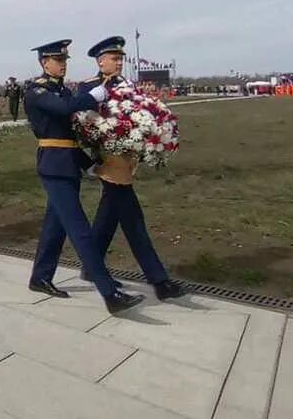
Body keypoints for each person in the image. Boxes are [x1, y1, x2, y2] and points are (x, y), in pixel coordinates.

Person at [24, 39, 143, 314]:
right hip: (53, 167)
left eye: (65, 60)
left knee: (56, 226)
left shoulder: (62, 90)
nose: (64, 64)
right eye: (58, 60)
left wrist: (88, 163)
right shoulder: (37, 91)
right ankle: (109, 293)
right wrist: (96, 95)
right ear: (45, 63)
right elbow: (66, 111)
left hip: (67, 164)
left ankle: (40, 277)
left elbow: (72, 134)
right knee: (80, 230)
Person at [79, 36, 185, 301]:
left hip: (128, 158)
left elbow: (142, 115)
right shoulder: (88, 87)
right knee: (132, 218)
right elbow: (83, 123)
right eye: (114, 58)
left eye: (121, 58)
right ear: (100, 61)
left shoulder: (130, 88)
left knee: (109, 216)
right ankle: (159, 281)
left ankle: (91, 267)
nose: (119, 62)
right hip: (109, 160)